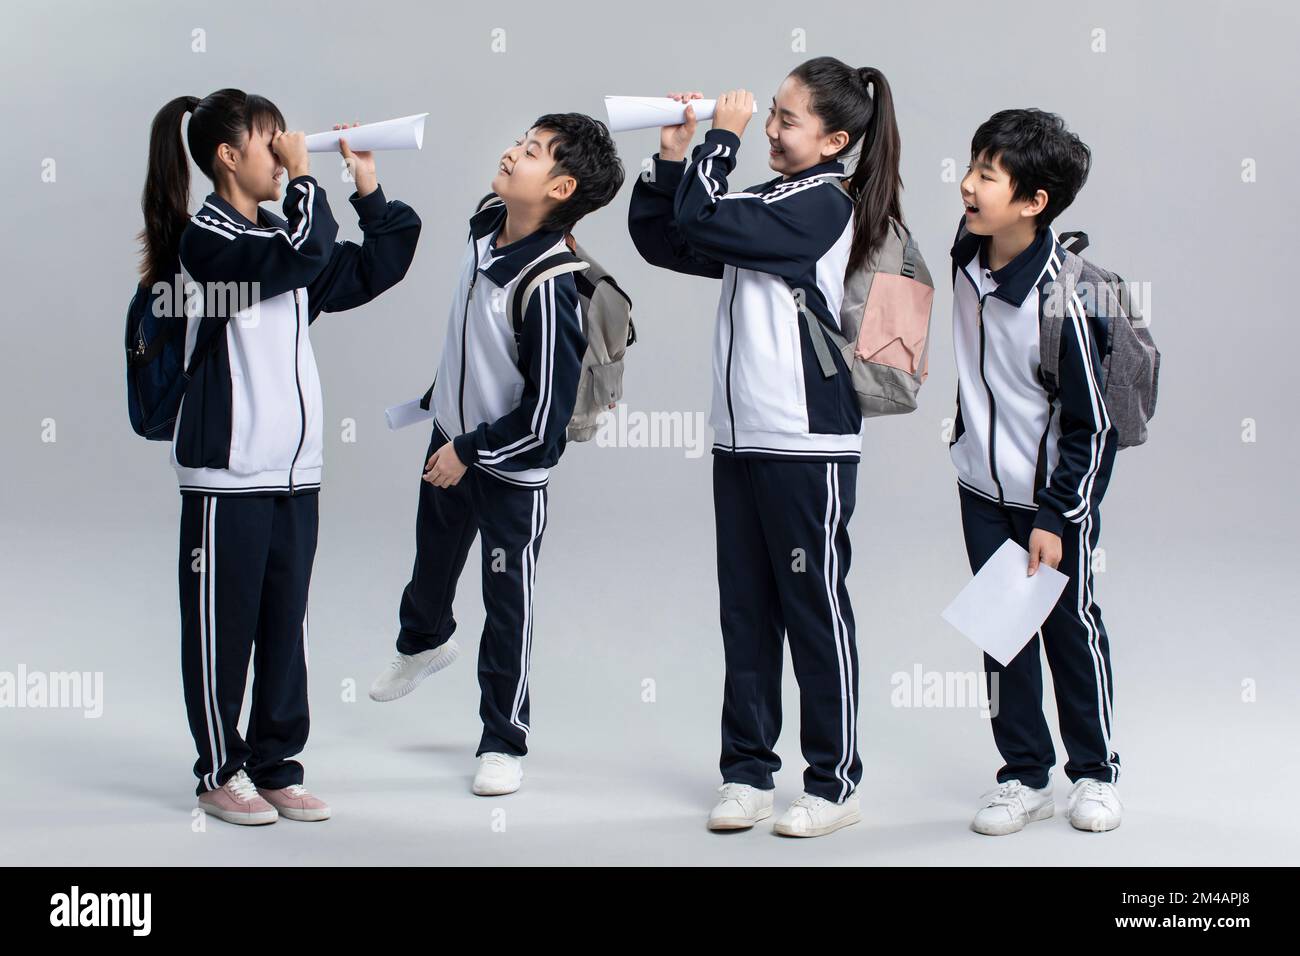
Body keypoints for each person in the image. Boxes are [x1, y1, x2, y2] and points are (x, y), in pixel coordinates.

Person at [628, 57, 904, 838]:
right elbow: (669, 238)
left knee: (813, 608)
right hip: (742, 438)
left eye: (787, 118)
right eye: (771, 114)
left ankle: (835, 784)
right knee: (746, 611)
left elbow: (706, 219)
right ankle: (747, 774)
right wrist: (673, 160)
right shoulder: (770, 200)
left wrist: (718, 140)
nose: (770, 130)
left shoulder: (822, 201)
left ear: (835, 140)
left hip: (805, 440)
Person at [137, 89, 421, 824]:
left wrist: (366, 186)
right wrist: (305, 182)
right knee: (221, 629)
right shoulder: (206, 242)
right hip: (226, 471)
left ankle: (275, 767)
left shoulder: (281, 237)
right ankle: (218, 769)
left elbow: (378, 265)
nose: (287, 150)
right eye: (272, 141)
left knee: (283, 627)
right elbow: (299, 254)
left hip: (294, 473)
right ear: (228, 156)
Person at [369, 113, 624, 797]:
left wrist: (469, 452)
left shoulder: (550, 286)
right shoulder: (488, 224)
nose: (512, 153)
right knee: (430, 565)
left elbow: (544, 425)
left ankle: (503, 740)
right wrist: (367, 183)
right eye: (520, 141)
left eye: (533, 152)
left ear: (561, 188)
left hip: (506, 468)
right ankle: (423, 643)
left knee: (506, 603)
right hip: (450, 437)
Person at [949, 108, 1122, 835]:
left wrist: (1057, 516)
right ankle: (1023, 775)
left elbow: (1093, 427)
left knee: (1069, 633)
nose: (967, 185)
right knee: (1003, 635)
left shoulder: (1065, 301)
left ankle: (1096, 774)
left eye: (987, 176)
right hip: (981, 491)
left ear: (1033, 202)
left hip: (1051, 501)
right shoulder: (967, 253)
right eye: (972, 166)